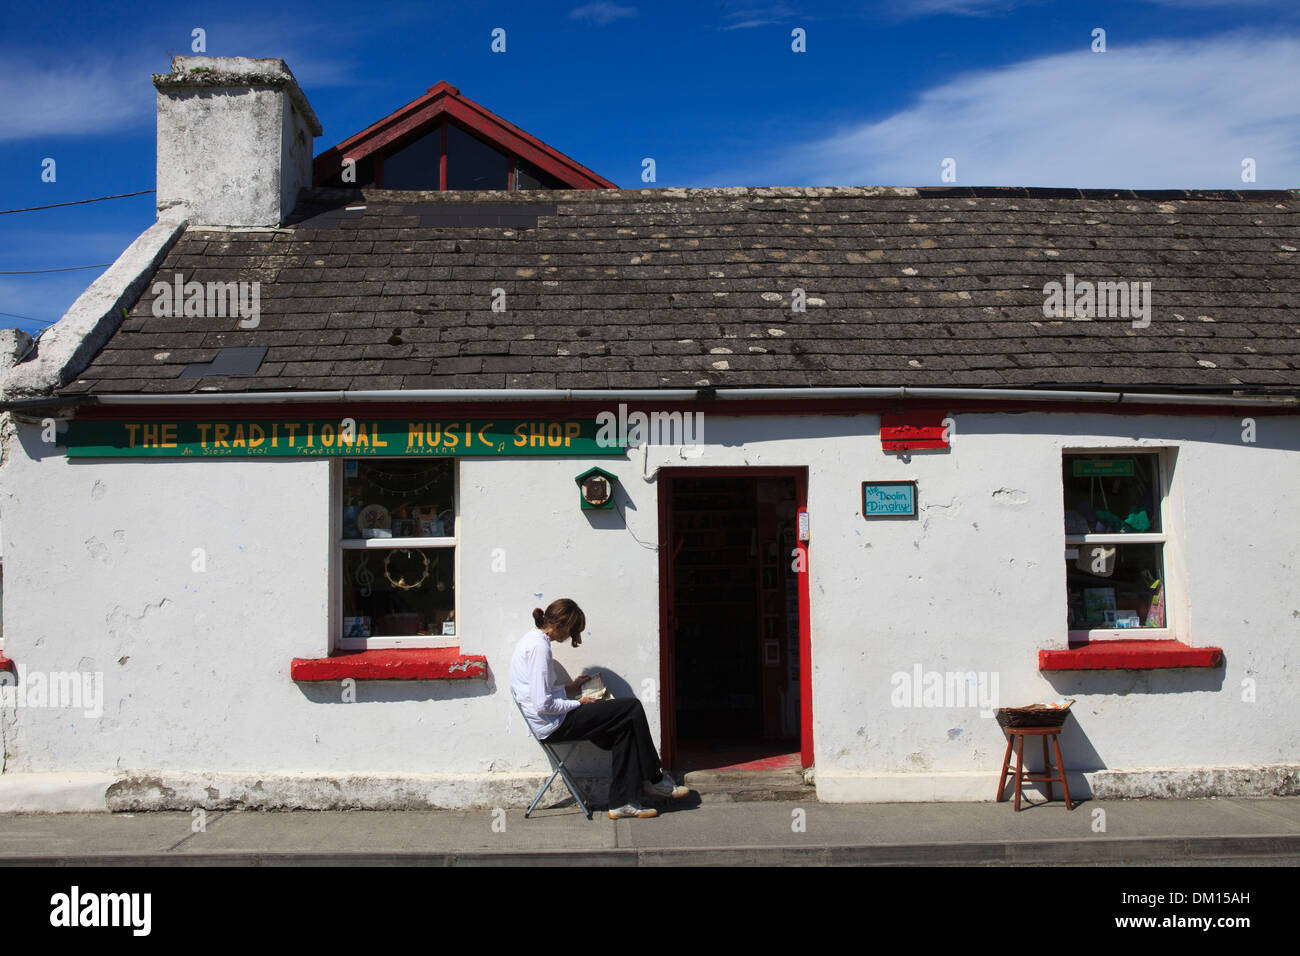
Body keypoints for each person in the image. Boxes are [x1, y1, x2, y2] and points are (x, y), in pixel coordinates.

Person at [510, 598, 689, 819]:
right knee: (631, 708)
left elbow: (540, 692)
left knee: (624, 729)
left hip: (553, 720)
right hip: (555, 725)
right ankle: (655, 778)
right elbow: (542, 704)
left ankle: (623, 803)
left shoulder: (534, 641)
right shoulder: (539, 648)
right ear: (559, 626)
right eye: (571, 632)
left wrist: (571, 687)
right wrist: (578, 702)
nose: (569, 638)